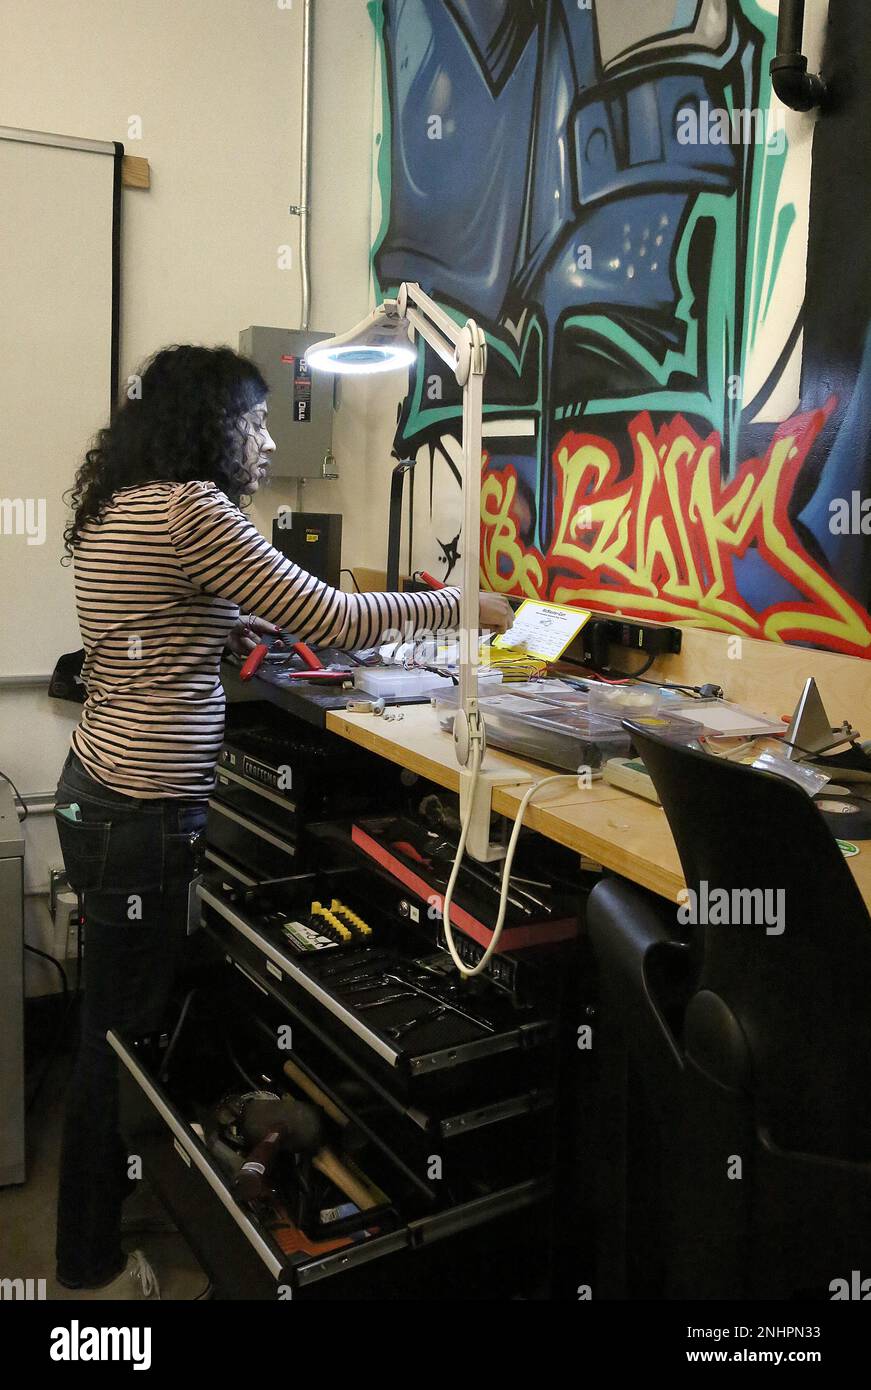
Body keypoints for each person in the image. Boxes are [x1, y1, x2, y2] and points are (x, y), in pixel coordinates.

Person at [52, 343, 513, 1299]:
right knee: (120, 1043)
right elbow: (336, 620)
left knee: (115, 1022)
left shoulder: (119, 504)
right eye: (254, 422)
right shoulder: (192, 507)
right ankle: (86, 1267)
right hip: (142, 808)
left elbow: (183, 621)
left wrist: (249, 624)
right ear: (210, 427)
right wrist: (463, 605)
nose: (267, 440)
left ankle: (128, 1206)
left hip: (99, 792)